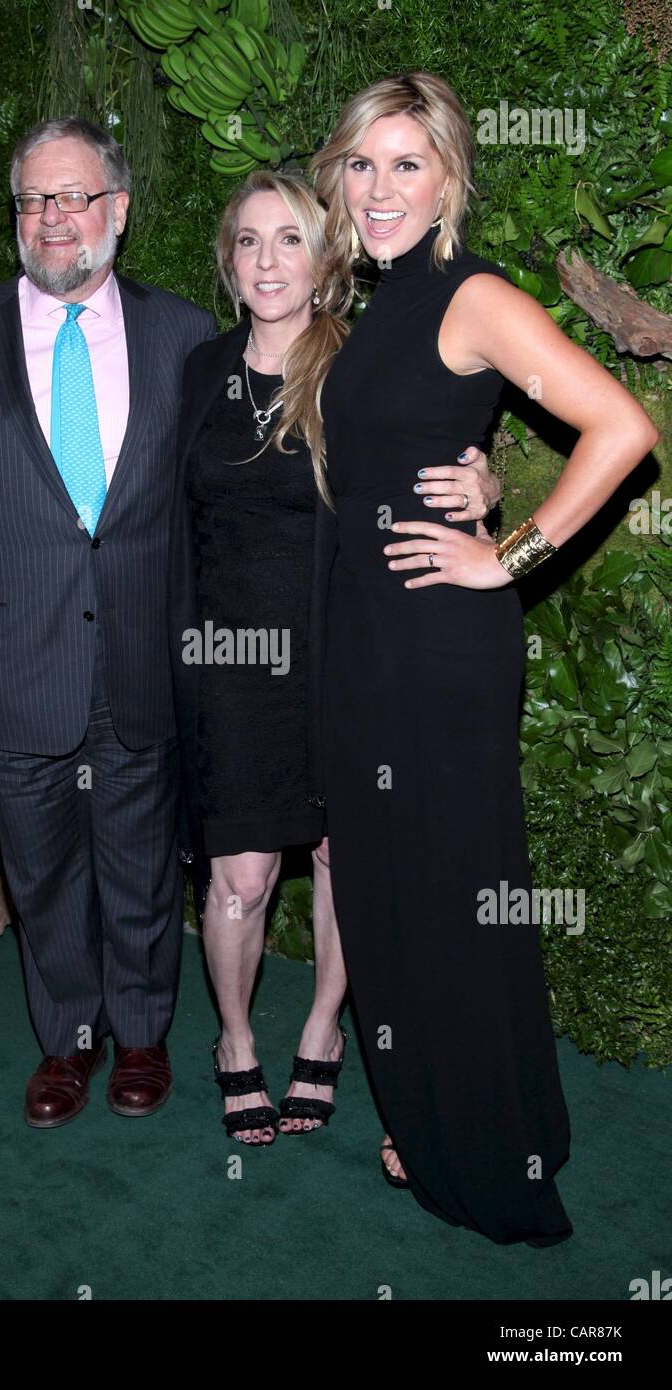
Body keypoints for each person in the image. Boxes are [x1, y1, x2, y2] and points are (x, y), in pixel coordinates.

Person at [310, 72, 659, 1243]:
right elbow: (426, 440)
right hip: (370, 632)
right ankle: (481, 1112)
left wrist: (505, 555)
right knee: (403, 886)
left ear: (449, 176)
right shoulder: (379, 307)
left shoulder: (473, 295)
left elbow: (623, 428)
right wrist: (488, 474)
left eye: (407, 163)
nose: (381, 188)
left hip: (434, 644)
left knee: (440, 894)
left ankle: (471, 1147)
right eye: (362, 163)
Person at [0, 117, 216, 1128]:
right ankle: (69, 1041)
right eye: (34, 199)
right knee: (43, 869)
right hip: (10, 664)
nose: (53, 218)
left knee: (141, 860)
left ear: (118, 209)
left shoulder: (185, 335)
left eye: (75, 196)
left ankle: (145, 1032)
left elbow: (222, 500)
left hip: (143, 655)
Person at [169, 170, 502, 1143]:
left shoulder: (359, 367)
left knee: (343, 860)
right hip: (227, 670)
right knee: (238, 878)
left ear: (326, 261)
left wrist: (484, 487)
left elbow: (445, 449)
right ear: (228, 264)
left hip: (343, 654)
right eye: (248, 241)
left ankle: (324, 1028)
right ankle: (234, 1040)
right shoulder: (196, 372)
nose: (269, 260)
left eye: (291, 240)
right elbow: (159, 523)